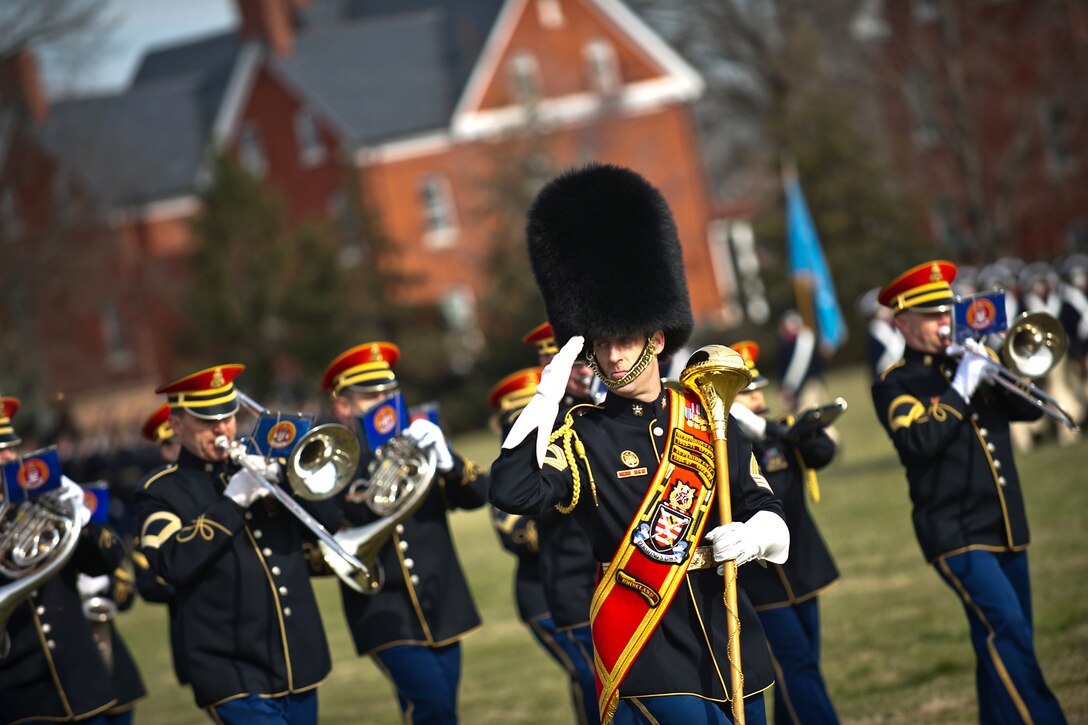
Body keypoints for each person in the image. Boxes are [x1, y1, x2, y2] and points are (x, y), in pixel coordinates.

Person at [490, 164, 789, 724]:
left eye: (625, 339)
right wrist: (543, 403)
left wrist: (754, 537)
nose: (615, 357)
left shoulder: (704, 413)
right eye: (601, 344)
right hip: (643, 636)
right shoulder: (582, 433)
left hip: (726, 628)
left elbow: (763, 504)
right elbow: (512, 489)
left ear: (655, 337)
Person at [871, 260, 1066, 723]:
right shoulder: (897, 383)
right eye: (933, 316)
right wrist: (960, 388)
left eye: (948, 312)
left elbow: (1030, 412)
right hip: (955, 531)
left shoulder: (972, 360)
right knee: (1007, 630)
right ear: (902, 322)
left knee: (998, 640)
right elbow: (918, 440)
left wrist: (996, 362)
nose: (945, 323)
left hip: (1004, 522)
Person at [135, 365, 333, 723]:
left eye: (227, 416)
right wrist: (232, 502)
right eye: (206, 419)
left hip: (295, 661)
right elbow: (171, 563)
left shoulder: (257, 465)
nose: (221, 427)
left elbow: (332, 525)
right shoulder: (161, 490)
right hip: (230, 670)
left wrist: (293, 479)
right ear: (177, 426)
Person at [321, 341, 488, 724]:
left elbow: (480, 495)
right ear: (342, 405)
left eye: (387, 392)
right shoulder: (332, 462)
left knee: (437, 709)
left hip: (441, 601)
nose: (382, 401)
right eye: (369, 395)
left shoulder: (418, 446)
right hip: (382, 610)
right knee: (433, 708)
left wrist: (448, 460)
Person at [0, 396, 147, 724]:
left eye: (9, 448)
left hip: (81, 684)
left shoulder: (40, 508)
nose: (8, 457)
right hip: (19, 694)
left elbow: (109, 558)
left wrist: (82, 520)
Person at [727, 342, 841, 725]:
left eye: (757, 389)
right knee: (796, 664)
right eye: (745, 392)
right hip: (761, 582)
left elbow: (823, 450)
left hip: (802, 569)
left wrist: (769, 428)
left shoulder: (780, 433)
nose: (756, 398)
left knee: (806, 661)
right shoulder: (722, 444)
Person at [487, 365, 598, 725]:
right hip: (550, 591)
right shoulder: (516, 474)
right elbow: (516, 533)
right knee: (588, 676)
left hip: (588, 579)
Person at [132, 401, 189, 687]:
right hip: (190, 627)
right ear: (162, 450)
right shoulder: (154, 499)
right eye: (171, 446)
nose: (178, 452)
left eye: (181, 443)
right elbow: (148, 582)